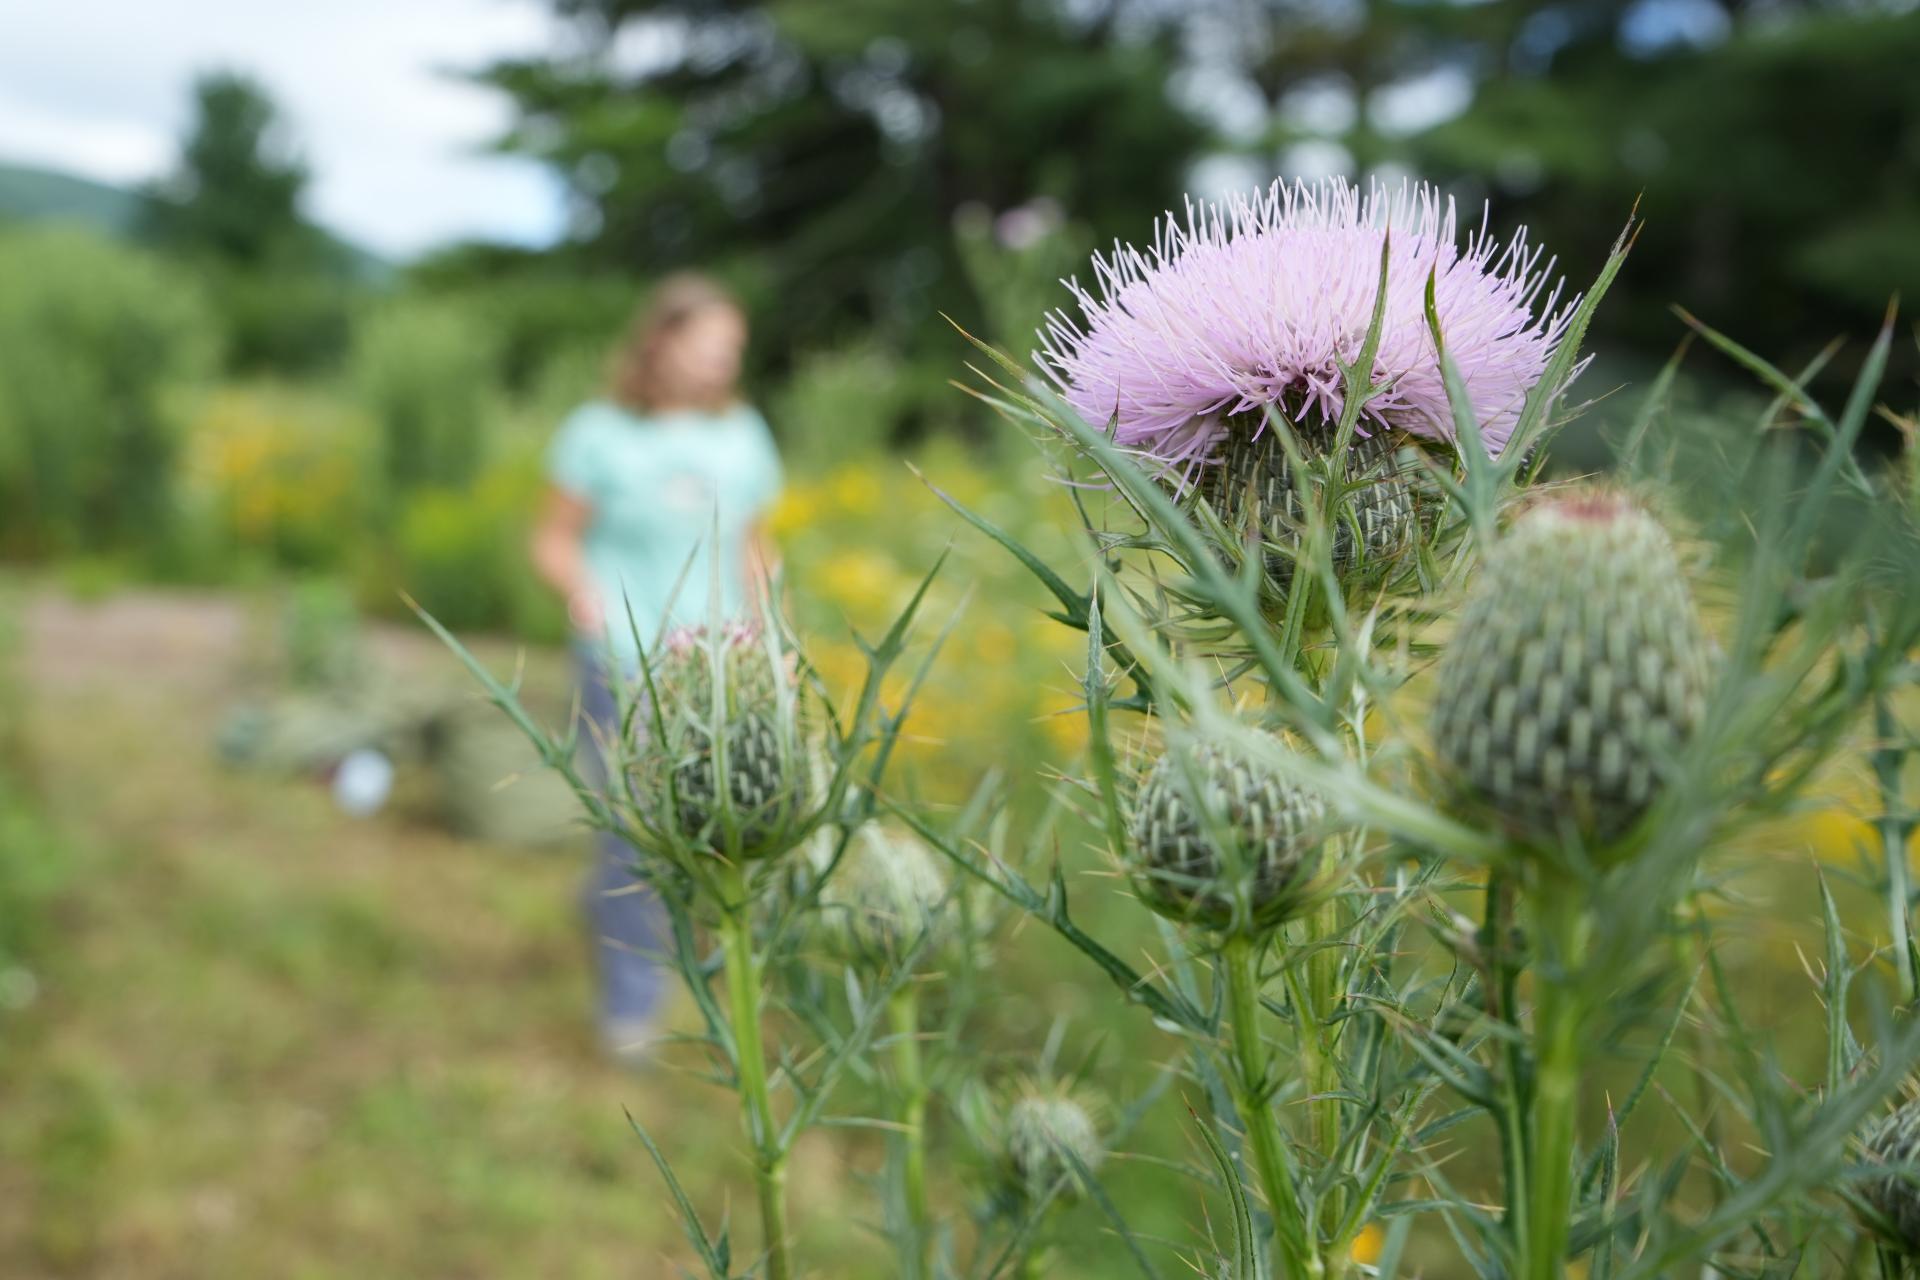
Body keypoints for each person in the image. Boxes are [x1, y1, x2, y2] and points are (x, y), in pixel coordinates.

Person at [530, 273, 783, 1063]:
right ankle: (632, 1010)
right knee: (635, 832)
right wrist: (583, 595)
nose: (719, 362)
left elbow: (753, 544)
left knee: (721, 829)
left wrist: (774, 626)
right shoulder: (599, 433)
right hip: (626, 659)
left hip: (722, 673)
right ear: (660, 341)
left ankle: (706, 978)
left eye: (730, 351)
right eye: (707, 344)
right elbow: (554, 538)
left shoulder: (742, 434)